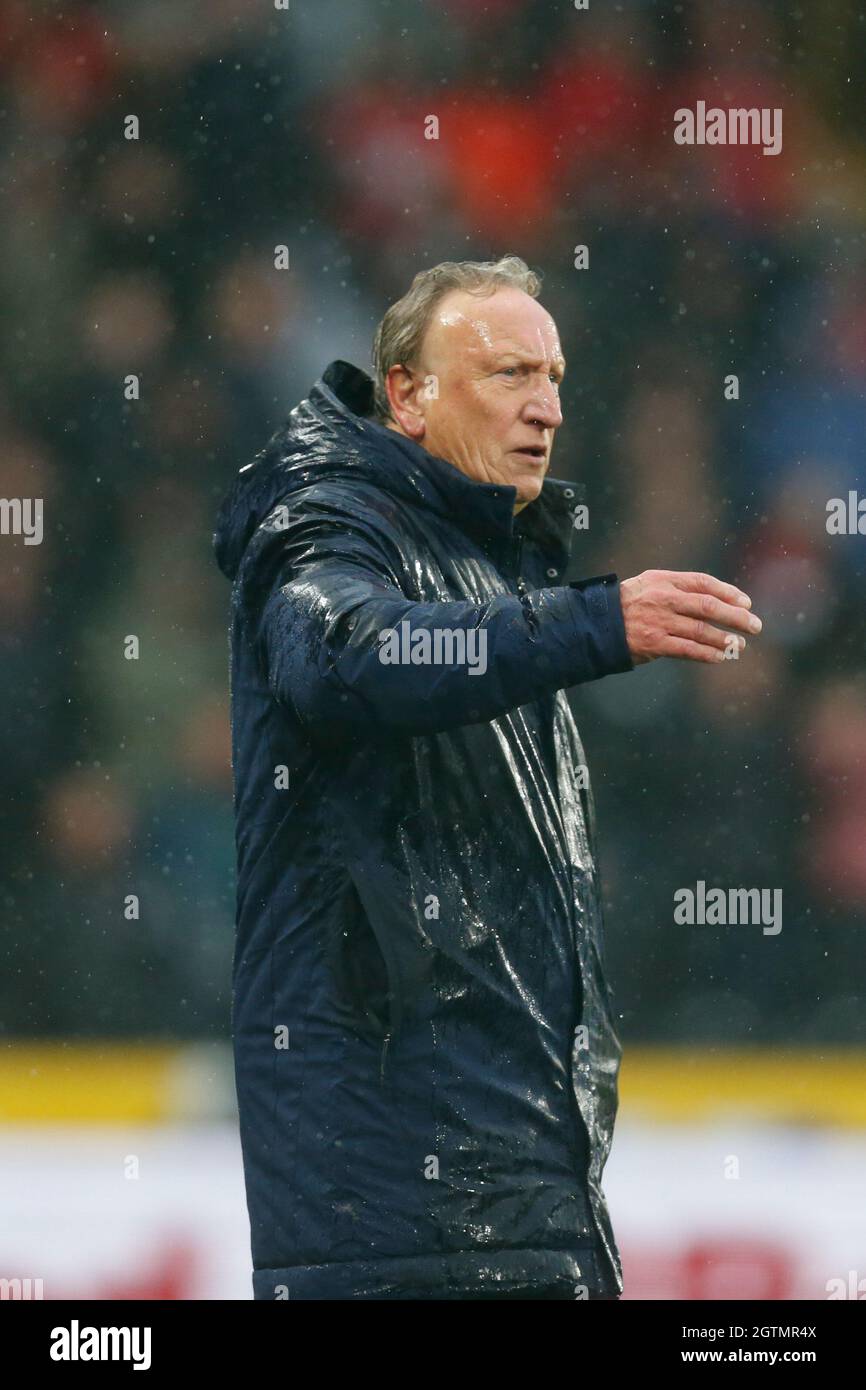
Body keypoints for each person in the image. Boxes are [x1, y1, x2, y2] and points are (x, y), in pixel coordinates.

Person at [213, 255, 761, 1300]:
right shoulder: (328, 522)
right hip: (390, 1208)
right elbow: (345, 658)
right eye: (509, 373)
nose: (546, 407)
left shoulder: (486, 562)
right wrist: (595, 622)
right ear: (408, 393)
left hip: (506, 1192)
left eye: (553, 376)